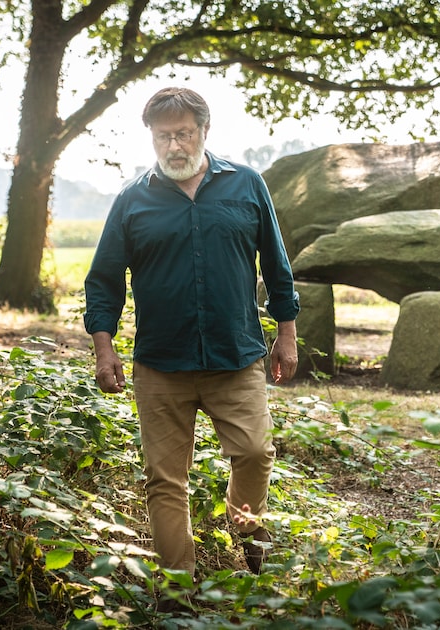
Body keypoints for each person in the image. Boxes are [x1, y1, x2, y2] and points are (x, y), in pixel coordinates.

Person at [82, 87, 299, 586]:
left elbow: (277, 265)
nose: (174, 145)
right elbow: (104, 280)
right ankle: (179, 589)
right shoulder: (132, 200)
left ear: (204, 131)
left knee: (254, 453)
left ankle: (245, 530)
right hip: (161, 364)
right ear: (151, 138)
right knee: (165, 481)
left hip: (235, 357)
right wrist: (104, 346)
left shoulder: (246, 185)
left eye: (183, 133)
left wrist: (286, 335)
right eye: (163, 136)